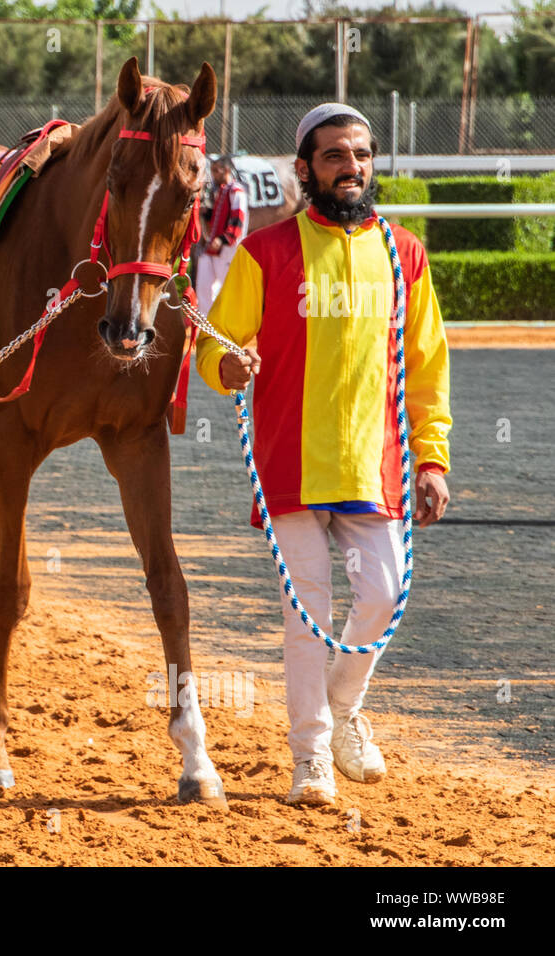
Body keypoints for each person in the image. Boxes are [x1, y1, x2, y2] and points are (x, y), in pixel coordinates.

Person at [194, 103, 451, 807]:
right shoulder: (264, 253)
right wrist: (227, 367)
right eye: (335, 156)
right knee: (305, 612)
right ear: (305, 170)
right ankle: (310, 757)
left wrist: (432, 459)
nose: (352, 167)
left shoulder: (406, 255)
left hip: (377, 466)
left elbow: (427, 367)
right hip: (289, 466)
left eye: (361, 154)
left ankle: (344, 709)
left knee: (383, 596)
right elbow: (212, 344)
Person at [195, 155, 248, 310]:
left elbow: (237, 219)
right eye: (212, 171)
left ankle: (228, 325)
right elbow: (220, 219)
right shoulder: (223, 191)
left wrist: (223, 240)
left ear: (226, 170)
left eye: (216, 171)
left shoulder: (236, 191)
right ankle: (206, 325)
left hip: (228, 249)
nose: (213, 175)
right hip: (214, 247)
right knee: (204, 286)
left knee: (227, 288)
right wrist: (207, 213)